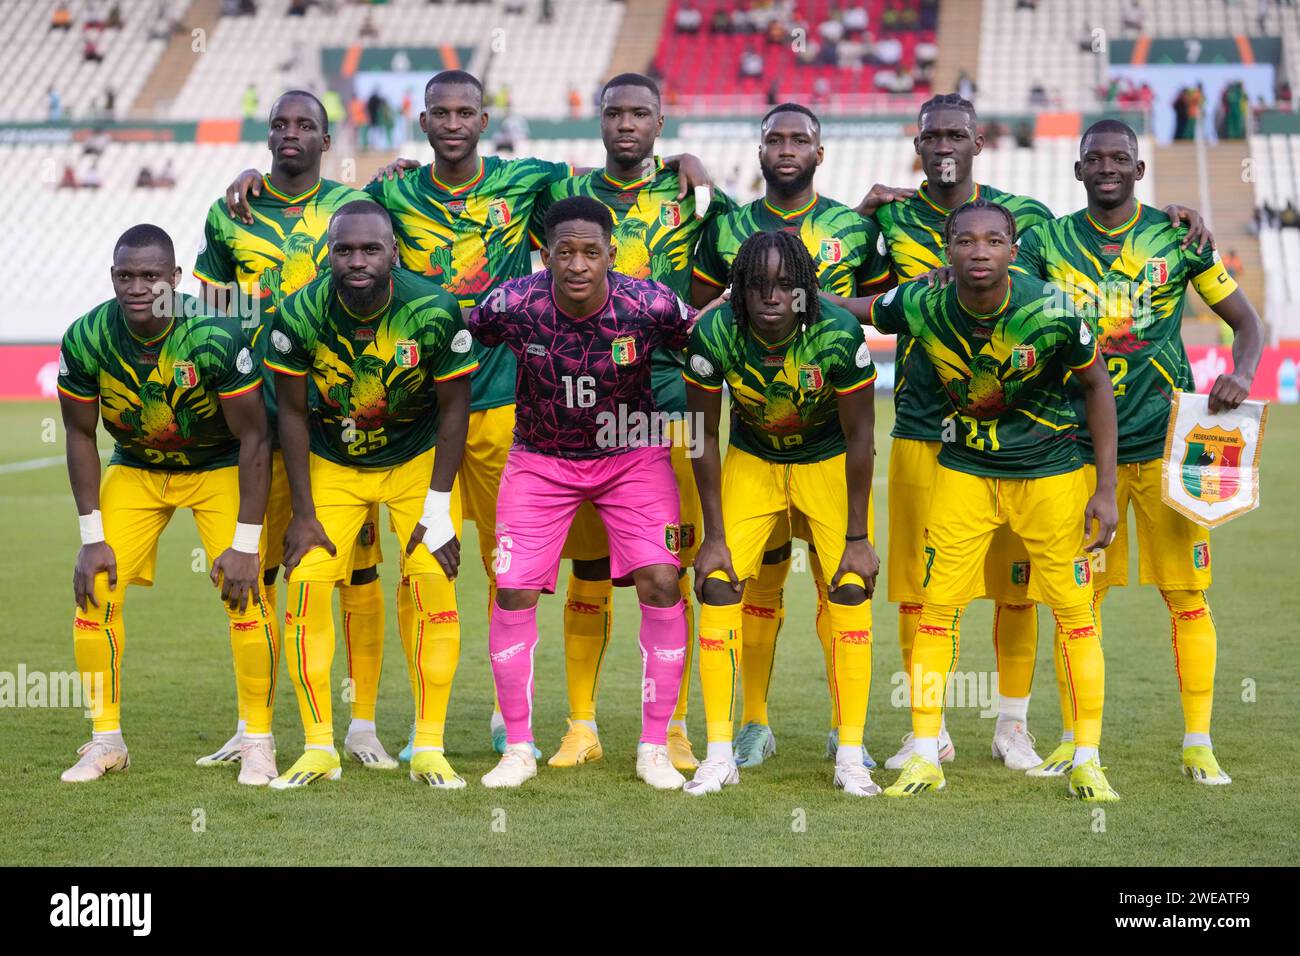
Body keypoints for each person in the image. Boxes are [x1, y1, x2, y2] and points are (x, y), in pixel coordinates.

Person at [225, 70, 714, 760]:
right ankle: (386, 725)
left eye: (466, 112)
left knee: (535, 565)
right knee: (442, 566)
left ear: (486, 119)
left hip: (521, 403)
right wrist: (259, 174)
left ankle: (594, 725)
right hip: (428, 411)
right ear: (422, 122)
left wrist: (684, 167)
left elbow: (607, 190)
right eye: (440, 113)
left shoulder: (531, 181)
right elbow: (331, 212)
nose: (453, 123)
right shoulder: (391, 191)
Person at [1013, 119, 1265, 786]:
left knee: (1186, 596)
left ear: (1138, 169)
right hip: (1073, 450)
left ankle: (1198, 742)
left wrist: (1242, 373)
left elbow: (1247, 322)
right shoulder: (1047, 242)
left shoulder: (1177, 238)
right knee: (1079, 603)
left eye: (1119, 158)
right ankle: (1074, 739)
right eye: (1093, 158)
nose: (1106, 168)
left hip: (1167, 445)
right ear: (1076, 171)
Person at [867, 200, 1121, 800]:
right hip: (963, 473)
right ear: (947, 251)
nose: (978, 251)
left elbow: (1097, 385)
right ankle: (926, 753)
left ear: (1013, 249)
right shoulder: (921, 301)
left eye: (992, 241)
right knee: (939, 609)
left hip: (1051, 477)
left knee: (1073, 613)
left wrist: (1105, 489)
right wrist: (776, 298)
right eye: (965, 241)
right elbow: (859, 309)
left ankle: (1086, 755)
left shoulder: (1052, 308)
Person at [525, 73, 735, 772]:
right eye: (614, 113)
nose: (625, 124)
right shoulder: (559, 195)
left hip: (667, 406)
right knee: (586, 567)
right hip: (579, 413)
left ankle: (670, 726)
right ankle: (580, 725)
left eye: (640, 114)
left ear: (661, 123)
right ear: (599, 122)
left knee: (667, 569)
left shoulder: (693, 196)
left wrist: (694, 171)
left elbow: (759, 255)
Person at [468, 197, 697, 791]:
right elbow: (456, 334)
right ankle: (518, 746)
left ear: (610, 255)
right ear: (544, 255)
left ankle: (654, 745)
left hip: (633, 455)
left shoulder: (649, 304)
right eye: (564, 252)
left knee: (663, 580)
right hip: (540, 460)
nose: (577, 264)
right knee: (513, 586)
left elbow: (708, 338)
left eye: (590, 252)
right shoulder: (514, 303)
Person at [195, 91, 392, 770]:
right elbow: (215, 315)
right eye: (280, 123)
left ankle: (361, 724)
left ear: (326, 138)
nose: (290, 134)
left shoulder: (355, 208)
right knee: (259, 569)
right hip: (256, 416)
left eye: (305, 125)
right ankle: (256, 726)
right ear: (268, 133)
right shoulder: (232, 214)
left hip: (335, 416)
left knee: (354, 571)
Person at [692, 103, 890, 769]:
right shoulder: (725, 228)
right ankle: (750, 725)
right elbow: (698, 313)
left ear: (819, 151)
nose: (785, 148)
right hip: (754, 444)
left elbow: (889, 306)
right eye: (772, 137)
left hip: (830, 443)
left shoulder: (853, 231)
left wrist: (826, 307)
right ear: (757, 151)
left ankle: (848, 735)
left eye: (798, 138)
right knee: (755, 583)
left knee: (845, 586)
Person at [265, 201, 476, 789]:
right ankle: (317, 748)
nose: (356, 261)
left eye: (370, 249)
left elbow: (456, 410)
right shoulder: (299, 312)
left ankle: (429, 746)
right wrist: (303, 515)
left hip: (415, 461)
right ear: (327, 253)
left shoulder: (433, 309)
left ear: (394, 252)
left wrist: (437, 508)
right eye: (344, 250)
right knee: (306, 584)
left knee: (432, 580)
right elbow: (291, 415)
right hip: (334, 461)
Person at [57, 224, 273, 785]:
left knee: (244, 594)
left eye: (151, 276)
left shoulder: (217, 334)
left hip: (217, 465)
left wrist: (247, 545)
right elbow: (80, 435)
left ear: (175, 279)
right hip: (137, 467)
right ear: (112, 277)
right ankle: (106, 741)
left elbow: (255, 437)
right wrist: (90, 536)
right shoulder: (86, 337)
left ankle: (257, 739)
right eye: (125, 275)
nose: (137, 287)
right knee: (96, 588)